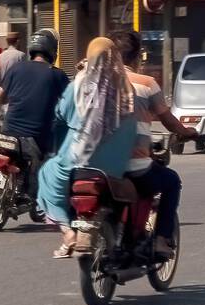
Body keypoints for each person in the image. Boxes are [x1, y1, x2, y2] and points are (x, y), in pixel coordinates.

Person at [35, 37, 138, 258]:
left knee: (48, 173)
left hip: (80, 161)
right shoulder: (126, 88)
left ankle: (67, 233)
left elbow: (60, 115)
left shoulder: (78, 85)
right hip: (118, 164)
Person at [110, 30, 195, 257]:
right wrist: (187, 132)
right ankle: (160, 239)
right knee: (171, 181)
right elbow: (168, 121)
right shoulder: (146, 84)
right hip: (133, 166)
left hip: (93, 164)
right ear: (137, 57)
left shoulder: (88, 80)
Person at [0, 29, 69, 195]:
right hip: (36, 138)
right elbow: (70, 104)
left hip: (7, 133)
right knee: (51, 157)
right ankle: (36, 193)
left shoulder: (16, 69)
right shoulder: (57, 75)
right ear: (52, 51)